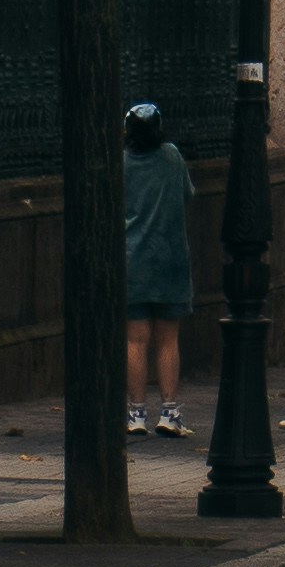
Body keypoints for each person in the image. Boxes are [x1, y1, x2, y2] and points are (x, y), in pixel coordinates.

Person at [121, 97, 194, 438]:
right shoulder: (172, 157)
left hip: (132, 259)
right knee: (168, 338)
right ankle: (169, 411)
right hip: (170, 258)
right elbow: (187, 194)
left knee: (136, 339)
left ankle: (135, 413)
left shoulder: (121, 163)